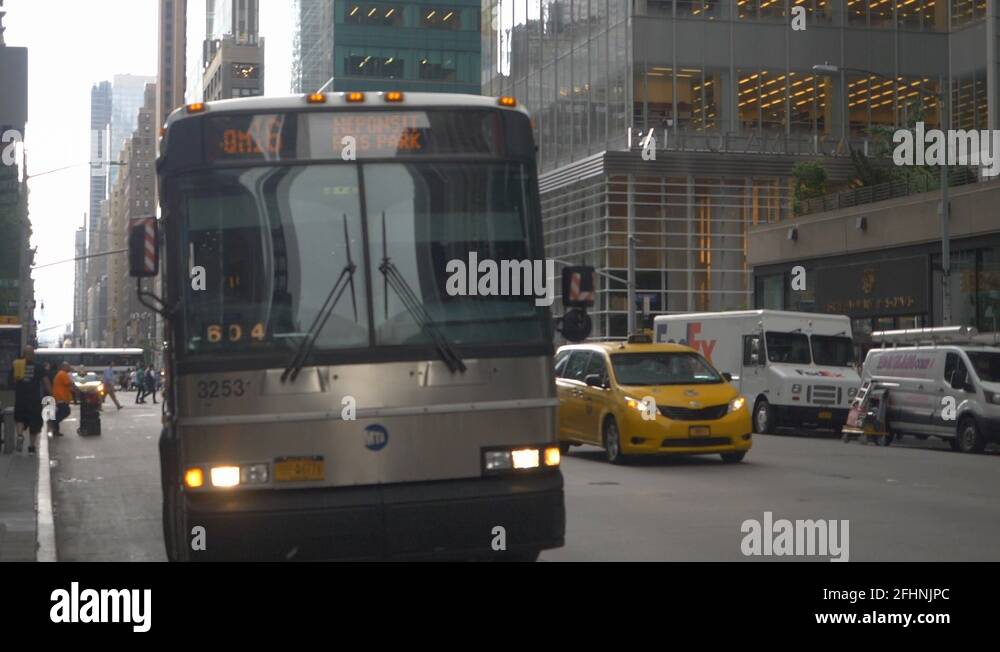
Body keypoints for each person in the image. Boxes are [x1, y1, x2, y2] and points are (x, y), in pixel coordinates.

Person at [11, 345, 51, 455]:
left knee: (20, 418)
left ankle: (19, 436)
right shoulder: (39, 367)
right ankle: (32, 447)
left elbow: (14, 380)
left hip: (20, 398)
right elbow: (45, 381)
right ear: (33, 354)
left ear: (23, 354)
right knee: (34, 423)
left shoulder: (16, 364)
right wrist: (51, 394)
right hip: (34, 400)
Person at [51, 362, 76, 437]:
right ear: (64, 367)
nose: (69, 368)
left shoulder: (61, 373)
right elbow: (70, 383)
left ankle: (56, 430)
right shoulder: (63, 374)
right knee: (66, 411)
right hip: (61, 397)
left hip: (60, 396)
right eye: (68, 366)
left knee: (59, 413)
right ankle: (53, 422)